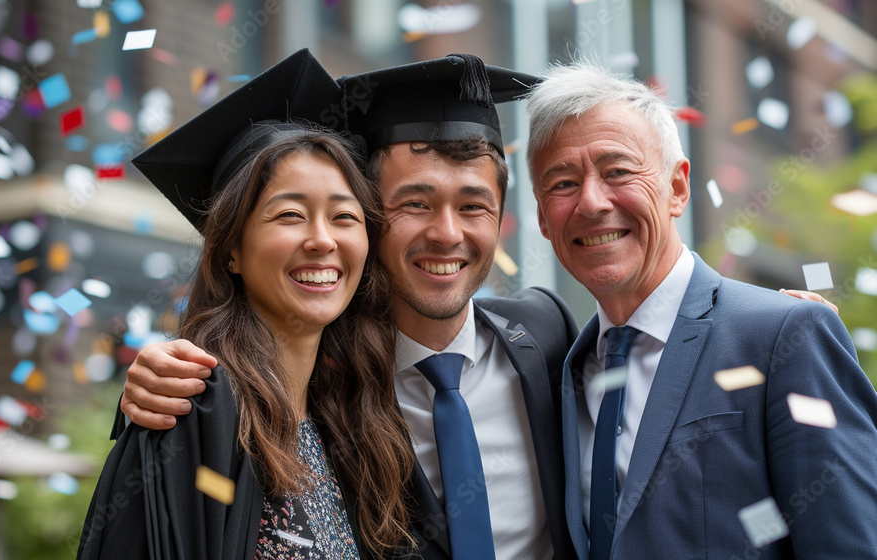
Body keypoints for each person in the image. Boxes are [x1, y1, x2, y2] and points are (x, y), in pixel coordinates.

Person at [117, 53, 579, 560]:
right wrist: (152, 391)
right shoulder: (290, 391)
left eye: (473, 206)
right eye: (415, 204)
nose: (447, 234)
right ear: (374, 216)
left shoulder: (547, 336)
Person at [526, 61, 877, 559]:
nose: (591, 202)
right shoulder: (568, 366)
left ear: (677, 188)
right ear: (541, 216)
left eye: (618, 171)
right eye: (562, 184)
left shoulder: (785, 336)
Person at [78, 49, 415, 559]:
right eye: (289, 215)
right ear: (231, 249)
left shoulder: (348, 420)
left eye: (344, 217)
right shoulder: (192, 407)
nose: (322, 240)